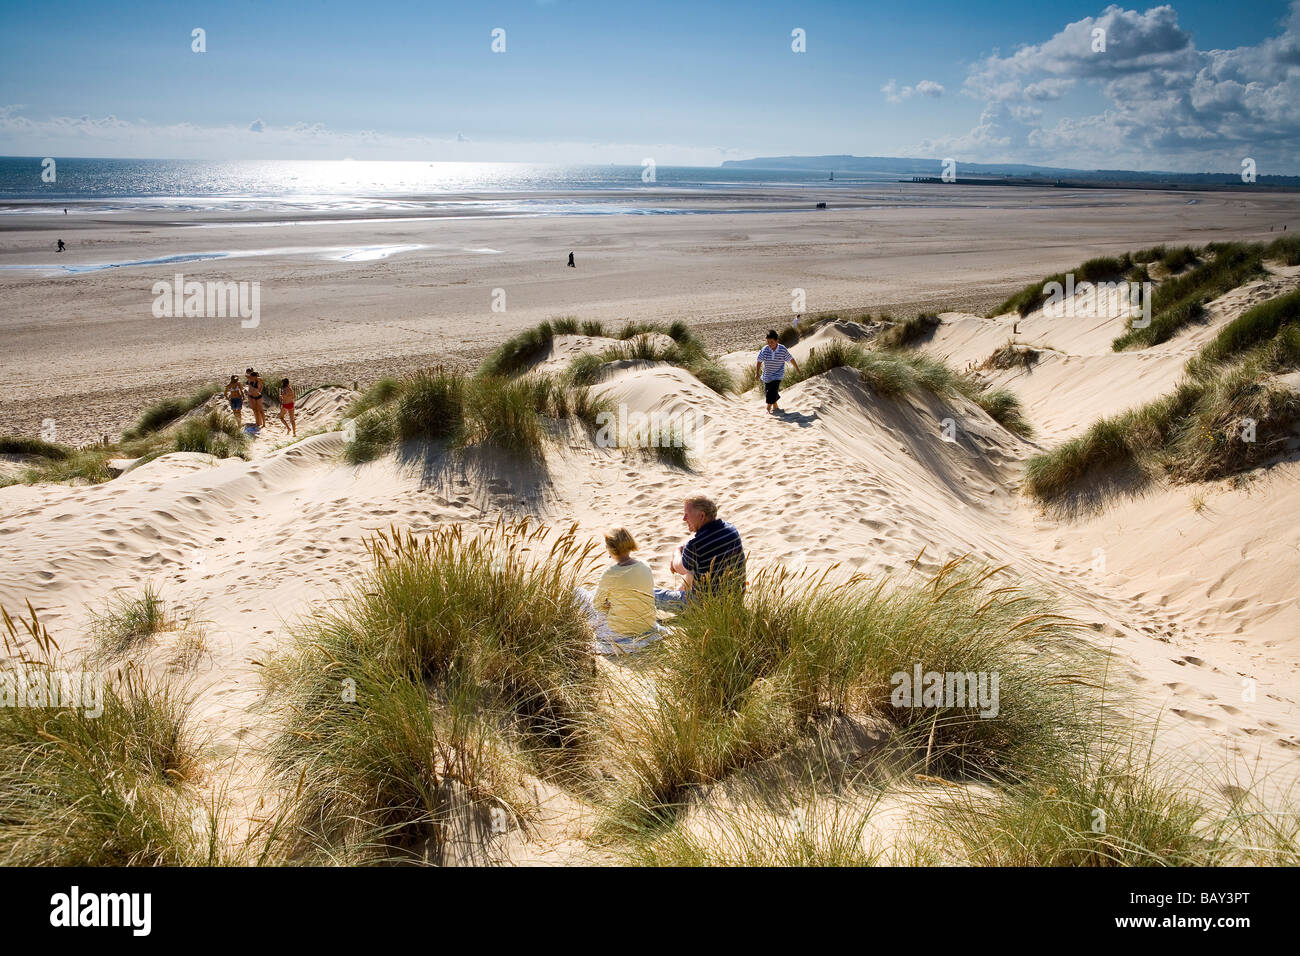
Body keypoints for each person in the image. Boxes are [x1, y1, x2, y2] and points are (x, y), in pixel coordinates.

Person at [575, 526, 661, 655]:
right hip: (646, 625)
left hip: (619, 631)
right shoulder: (645, 566)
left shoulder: (610, 573)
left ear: (611, 548)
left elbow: (597, 606)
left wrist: (608, 605)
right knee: (597, 594)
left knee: (577, 592)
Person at [654, 494, 745, 611]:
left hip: (704, 608)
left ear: (702, 516)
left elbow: (679, 568)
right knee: (695, 566)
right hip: (734, 600)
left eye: (687, 515)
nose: (684, 519)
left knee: (648, 595)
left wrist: (676, 551)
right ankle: (678, 593)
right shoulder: (731, 530)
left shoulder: (695, 545)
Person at [756, 329, 799, 414]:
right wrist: (756, 372)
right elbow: (759, 361)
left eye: (771, 342)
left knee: (772, 391)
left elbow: (791, 359)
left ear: (777, 341)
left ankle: (768, 408)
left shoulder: (782, 349)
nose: (769, 344)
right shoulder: (765, 349)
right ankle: (776, 407)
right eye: (768, 342)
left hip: (777, 375)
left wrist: (797, 368)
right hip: (767, 375)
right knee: (769, 392)